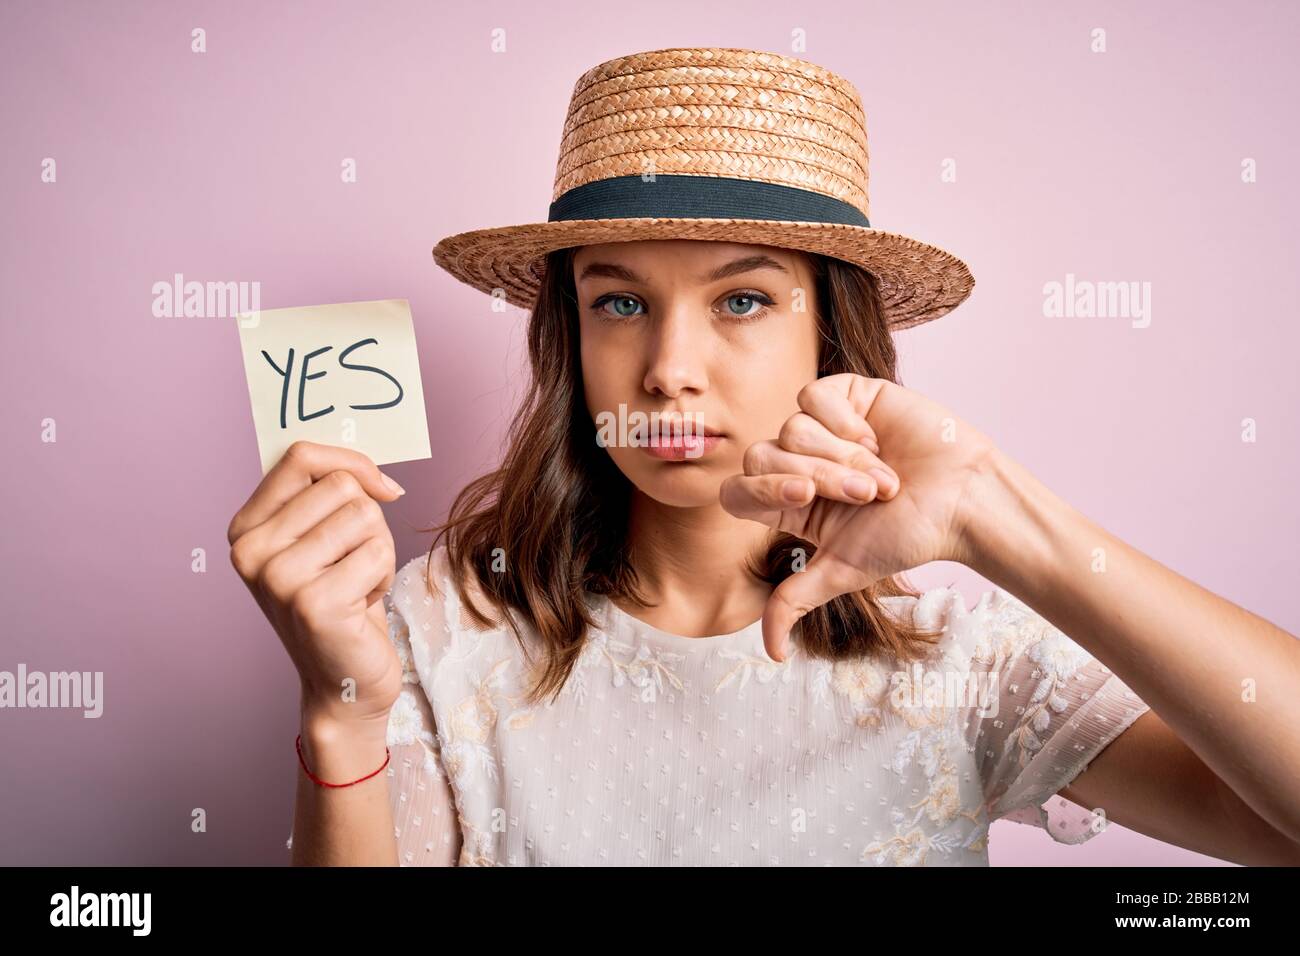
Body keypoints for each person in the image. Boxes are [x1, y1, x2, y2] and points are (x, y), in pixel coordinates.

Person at [228, 48, 1300, 866]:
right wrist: (339, 711)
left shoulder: (962, 668)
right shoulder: (439, 627)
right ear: (570, 336)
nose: (667, 369)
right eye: (618, 302)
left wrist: (991, 511)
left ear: (829, 338)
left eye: (741, 298)